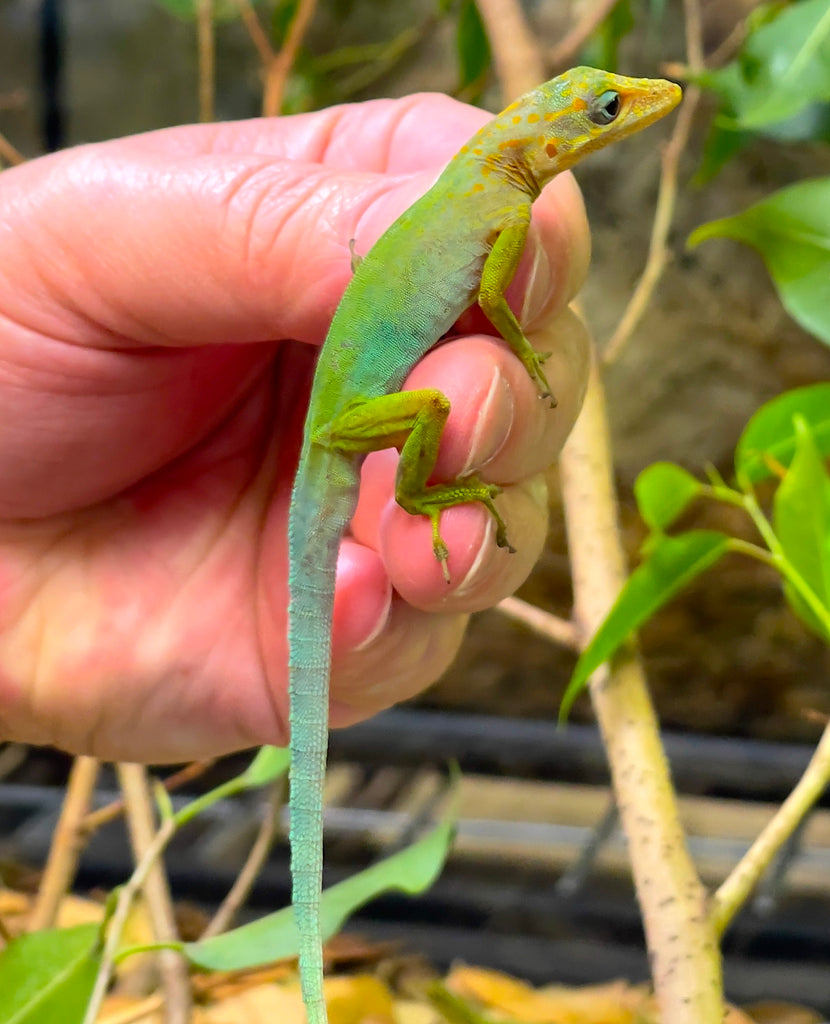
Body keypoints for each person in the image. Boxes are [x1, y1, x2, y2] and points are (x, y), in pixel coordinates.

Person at [0, 92, 591, 764]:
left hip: (322, 430)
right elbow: (488, 299)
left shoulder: (488, 193)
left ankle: (424, 494)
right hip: (342, 429)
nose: (627, 115)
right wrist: (525, 358)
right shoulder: (504, 207)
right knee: (435, 409)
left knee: (446, 421)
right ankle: (422, 496)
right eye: (605, 112)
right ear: (543, 145)